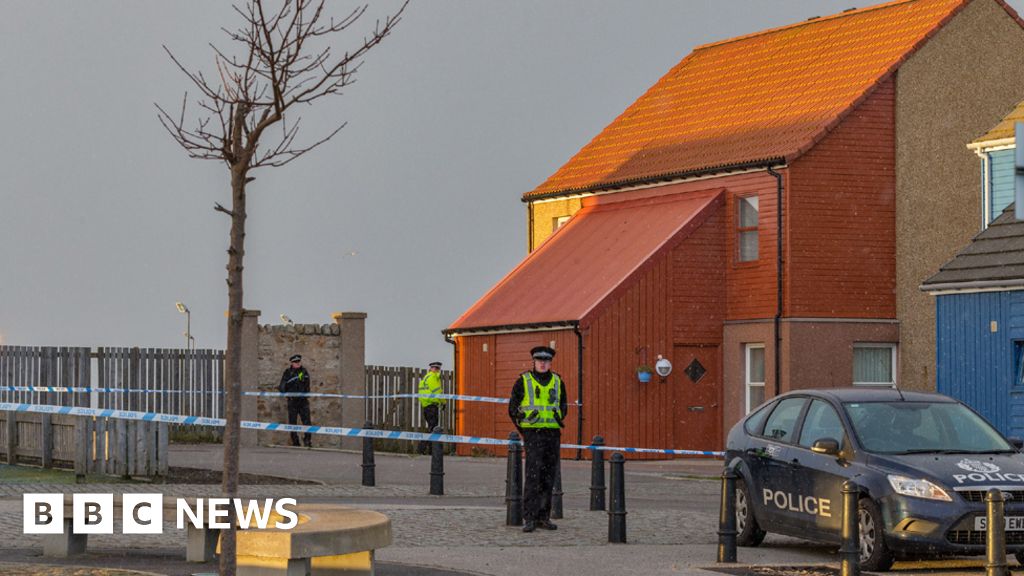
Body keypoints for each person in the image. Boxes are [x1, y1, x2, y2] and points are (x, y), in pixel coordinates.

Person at [508, 346, 568, 533]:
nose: (542, 363)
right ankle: (530, 518)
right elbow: (512, 409)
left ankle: (544, 516)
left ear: (550, 362)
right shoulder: (523, 381)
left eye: (546, 360)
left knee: (548, 477)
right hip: (533, 435)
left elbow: (563, 406)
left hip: (552, 434)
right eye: (539, 360)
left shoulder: (558, 381)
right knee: (533, 476)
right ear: (534, 362)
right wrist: (524, 431)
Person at [278, 354, 312, 448]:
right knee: (292, 423)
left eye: (299, 362)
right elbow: (282, 386)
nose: (298, 363)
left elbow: (307, 386)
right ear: (292, 363)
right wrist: (286, 390)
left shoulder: (304, 372)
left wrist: (304, 393)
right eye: (295, 362)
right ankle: (295, 442)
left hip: (303, 402)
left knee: (307, 422)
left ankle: (307, 440)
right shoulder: (288, 373)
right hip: (292, 402)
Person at [417, 361, 446, 454]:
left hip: (426, 406)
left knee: (431, 427)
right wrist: (443, 402)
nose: (437, 370)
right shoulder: (433, 377)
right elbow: (437, 392)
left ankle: (428, 449)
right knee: (433, 428)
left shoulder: (425, 377)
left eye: (438, 368)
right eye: (435, 368)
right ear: (431, 369)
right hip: (431, 405)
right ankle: (424, 449)